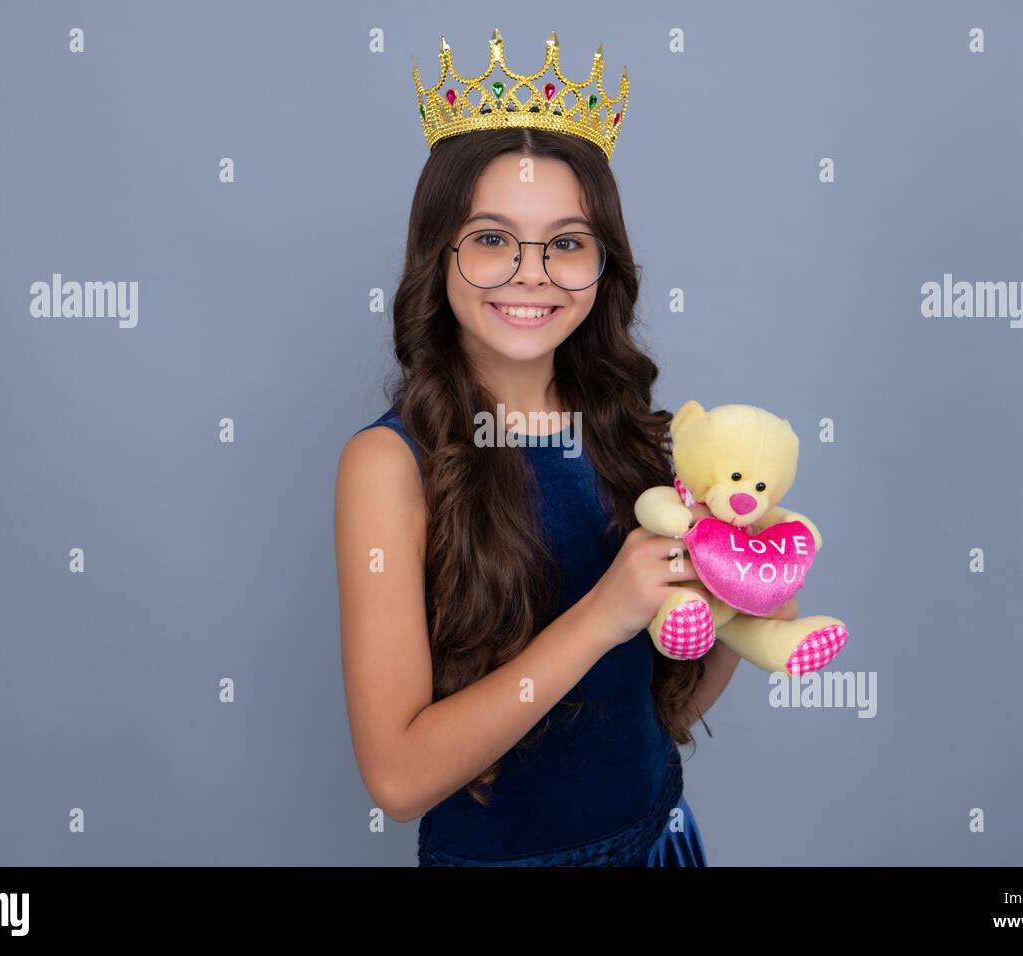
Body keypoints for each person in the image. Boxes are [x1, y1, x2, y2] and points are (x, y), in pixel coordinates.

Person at [334, 30, 797, 866]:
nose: (532, 272)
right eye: (491, 239)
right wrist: (601, 617)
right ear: (438, 256)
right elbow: (398, 781)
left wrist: (744, 610)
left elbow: (660, 714)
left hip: (662, 842)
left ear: (603, 265)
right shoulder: (390, 466)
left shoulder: (638, 438)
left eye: (567, 243)